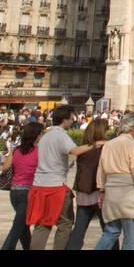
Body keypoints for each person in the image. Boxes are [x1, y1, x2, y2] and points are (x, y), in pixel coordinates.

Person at [28, 106, 93, 250]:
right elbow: (74, 150)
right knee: (65, 223)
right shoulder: (61, 135)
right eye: (71, 118)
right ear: (64, 120)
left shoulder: (45, 136)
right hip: (55, 186)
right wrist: (93, 145)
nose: (72, 121)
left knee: (42, 225)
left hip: (39, 185)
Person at [95, 113, 134, 250]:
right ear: (132, 128)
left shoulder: (109, 145)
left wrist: (102, 191)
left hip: (111, 193)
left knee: (111, 232)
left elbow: (101, 170)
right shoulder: (133, 146)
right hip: (127, 193)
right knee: (130, 237)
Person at [66, 118, 110, 250]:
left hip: (83, 194)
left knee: (78, 231)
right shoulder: (105, 149)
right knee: (109, 232)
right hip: (99, 194)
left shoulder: (83, 150)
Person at [0, 121, 42, 250]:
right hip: (28, 192)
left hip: (14, 191)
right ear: (36, 135)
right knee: (17, 227)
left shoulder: (16, 150)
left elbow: (5, 167)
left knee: (23, 225)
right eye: (41, 133)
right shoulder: (38, 151)